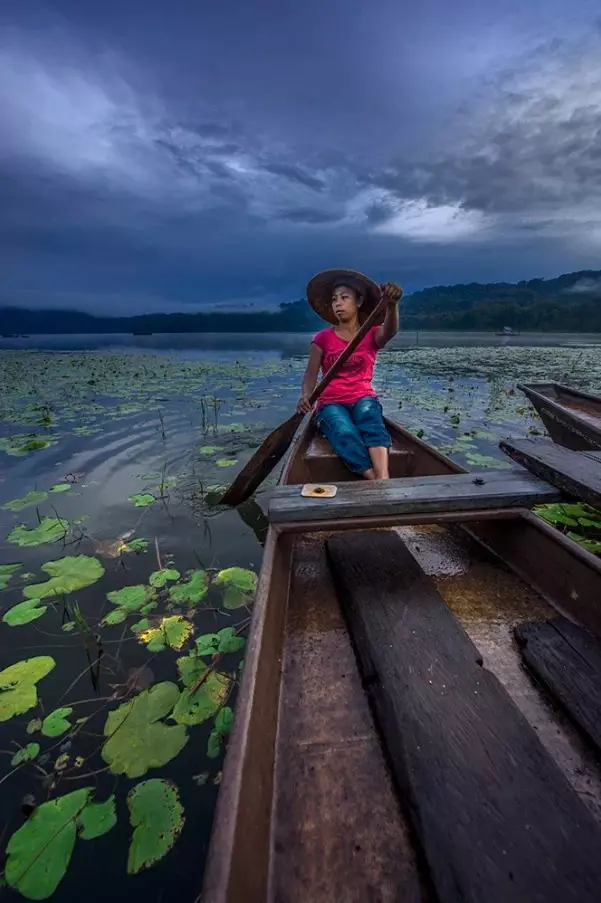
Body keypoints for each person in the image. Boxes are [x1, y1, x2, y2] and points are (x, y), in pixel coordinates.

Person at [297, 268, 402, 480]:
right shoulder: (322, 338)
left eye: (345, 298)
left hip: (363, 397)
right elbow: (310, 375)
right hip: (331, 402)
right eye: (335, 299)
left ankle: (383, 477)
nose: (338, 303)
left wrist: (392, 305)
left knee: (370, 418)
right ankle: (375, 481)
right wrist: (305, 395)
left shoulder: (371, 333)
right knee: (344, 432)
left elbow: (390, 331)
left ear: (359, 302)